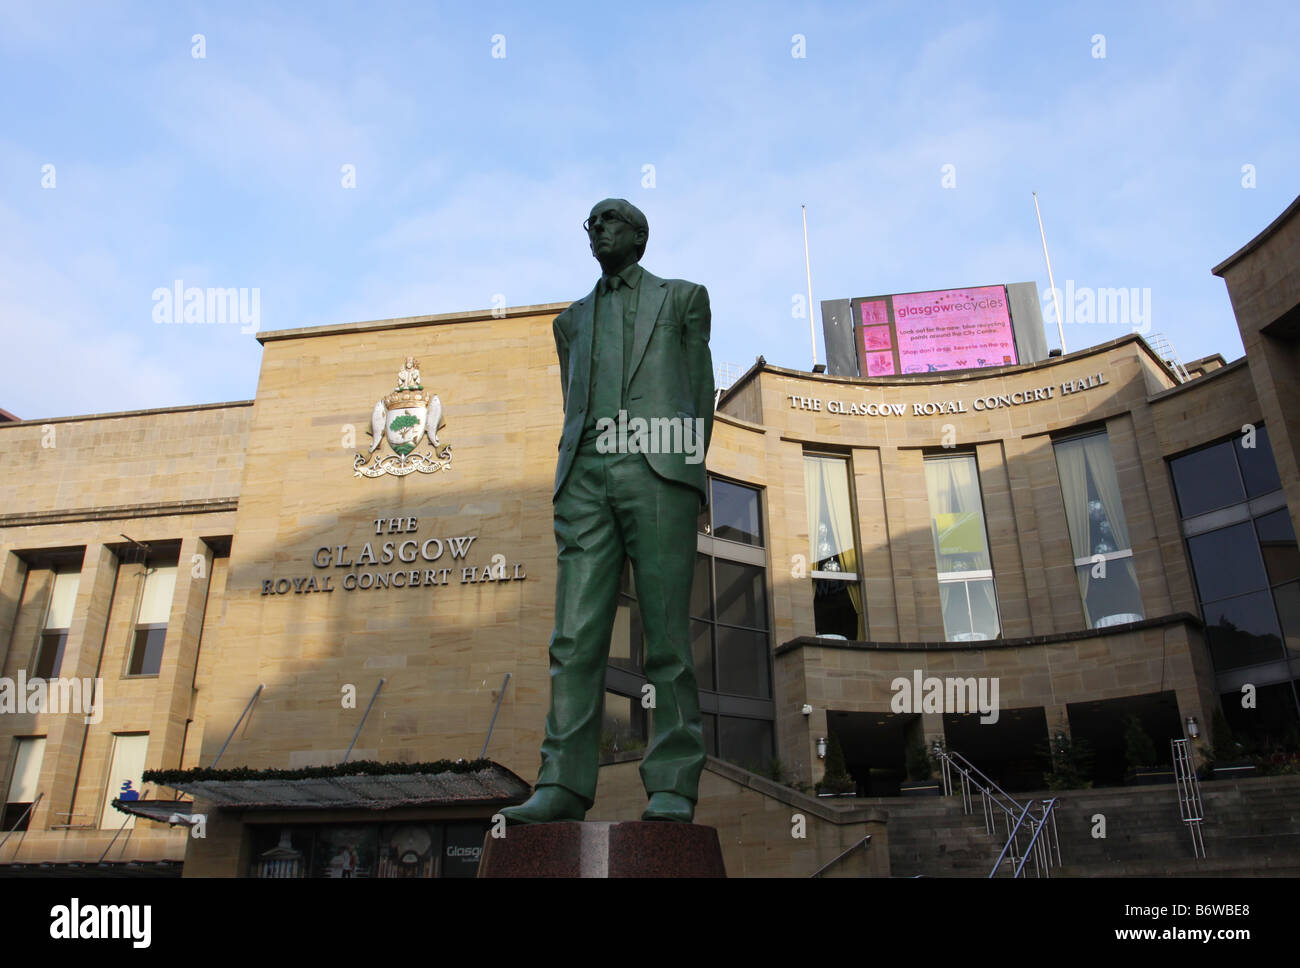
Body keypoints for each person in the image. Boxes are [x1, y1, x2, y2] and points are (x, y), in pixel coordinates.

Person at [500, 198, 714, 824]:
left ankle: (673, 780)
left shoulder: (683, 299)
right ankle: (562, 782)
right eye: (590, 224)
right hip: (587, 475)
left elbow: (699, 392)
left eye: (610, 221)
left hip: (657, 470)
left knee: (667, 631)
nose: (598, 231)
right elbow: (575, 400)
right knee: (573, 637)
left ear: (640, 236)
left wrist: (687, 471)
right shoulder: (571, 322)